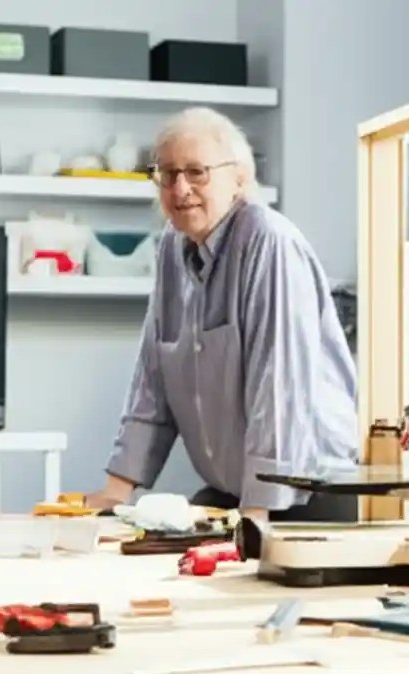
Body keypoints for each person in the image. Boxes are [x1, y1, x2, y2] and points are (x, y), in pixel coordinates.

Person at [86, 107, 358, 522]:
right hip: (236, 494)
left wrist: (255, 515)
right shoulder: (172, 247)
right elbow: (153, 379)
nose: (180, 189)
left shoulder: (268, 241)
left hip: (304, 496)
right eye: (168, 173)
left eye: (196, 172)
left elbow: (278, 388)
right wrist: (114, 492)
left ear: (239, 179)